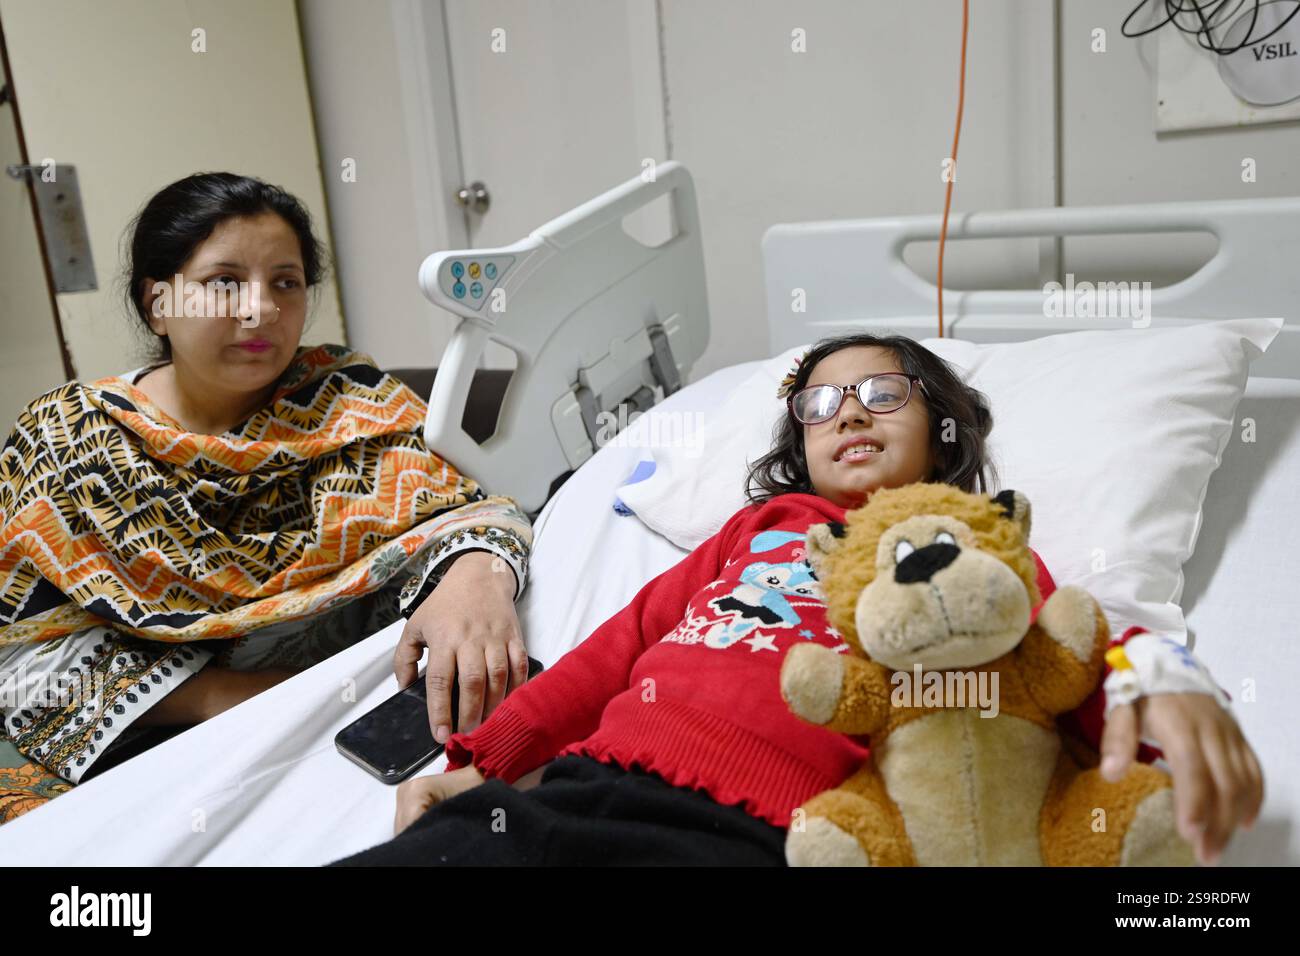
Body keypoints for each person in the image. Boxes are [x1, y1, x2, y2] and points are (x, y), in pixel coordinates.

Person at [332, 333, 1263, 867]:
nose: (849, 412)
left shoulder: (974, 553)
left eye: (880, 393)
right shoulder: (760, 532)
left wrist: (1169, 683)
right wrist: (485, 763)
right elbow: (611, 656)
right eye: (821, 405)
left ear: (941, 431)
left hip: (762, 833)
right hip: (577, 790)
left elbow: (1078, 651)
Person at [0, 173, 530, 823]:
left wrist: (474, 574)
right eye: (224, 281)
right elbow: (25, 649)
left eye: (285, 282)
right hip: (167, 744)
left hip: (358, 731)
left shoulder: (347, 400)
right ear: (157, 303)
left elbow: (464, 510)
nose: (261, 310)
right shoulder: (66, 440)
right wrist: (221, 697)